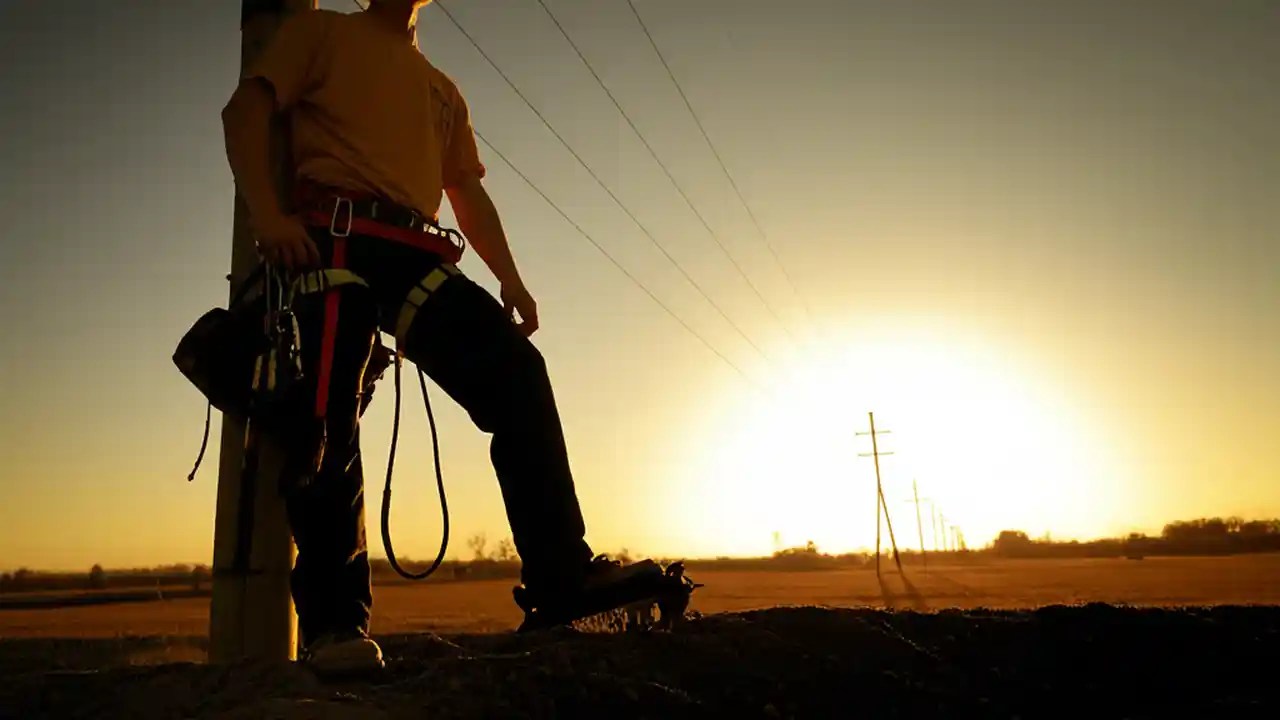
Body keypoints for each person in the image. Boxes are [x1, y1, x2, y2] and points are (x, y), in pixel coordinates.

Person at [221, 0, 655, 675]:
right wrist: (269, 214)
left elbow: (467, 193)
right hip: (333, 243)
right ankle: (335, 630)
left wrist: (510, 278)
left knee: (516, 373)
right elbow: (245, 112)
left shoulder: (443, 90)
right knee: (327, 420)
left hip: (415, 257)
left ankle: (559, 576)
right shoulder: (319, 32)